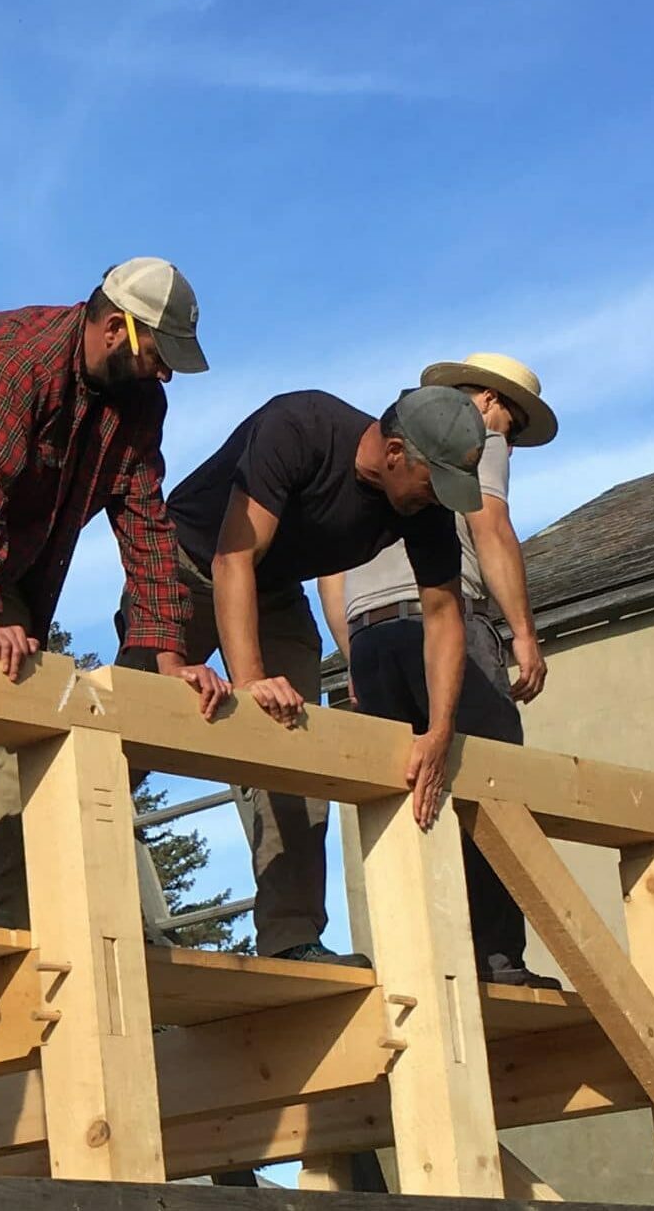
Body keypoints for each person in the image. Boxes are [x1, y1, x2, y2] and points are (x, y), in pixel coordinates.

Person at [0, 260, 234, 927]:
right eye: (159, 357)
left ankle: (26, 910)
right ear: (114, 329)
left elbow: (146, 524)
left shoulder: (140, 406)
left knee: (21, 715)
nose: (164, 375)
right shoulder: (12, 362)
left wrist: (170, 659)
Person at [160, 386, 486, 963]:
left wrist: (438, 733)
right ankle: (91, 905)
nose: (438, 498)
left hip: (275, 589)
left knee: (296, 740)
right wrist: (252, 677)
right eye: (432, 482)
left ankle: (291, 936)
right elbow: (232, 557)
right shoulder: (301, 427)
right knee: (132, 719)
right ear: (393, 452)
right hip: (184, 564)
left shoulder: (425, 503)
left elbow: (443, 613)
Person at [320, 354, 561, 987]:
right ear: (485, 400)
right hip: (444, 624)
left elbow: (330, 566)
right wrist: (525, 637)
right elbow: (492, 526)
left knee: (403, 797)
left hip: (370, 636)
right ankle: (496, 963)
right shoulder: (473, 438)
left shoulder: (389, 453)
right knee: (491, 783)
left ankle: (416, 963)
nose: (507, 436)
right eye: (510, 419)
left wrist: (352, 651)